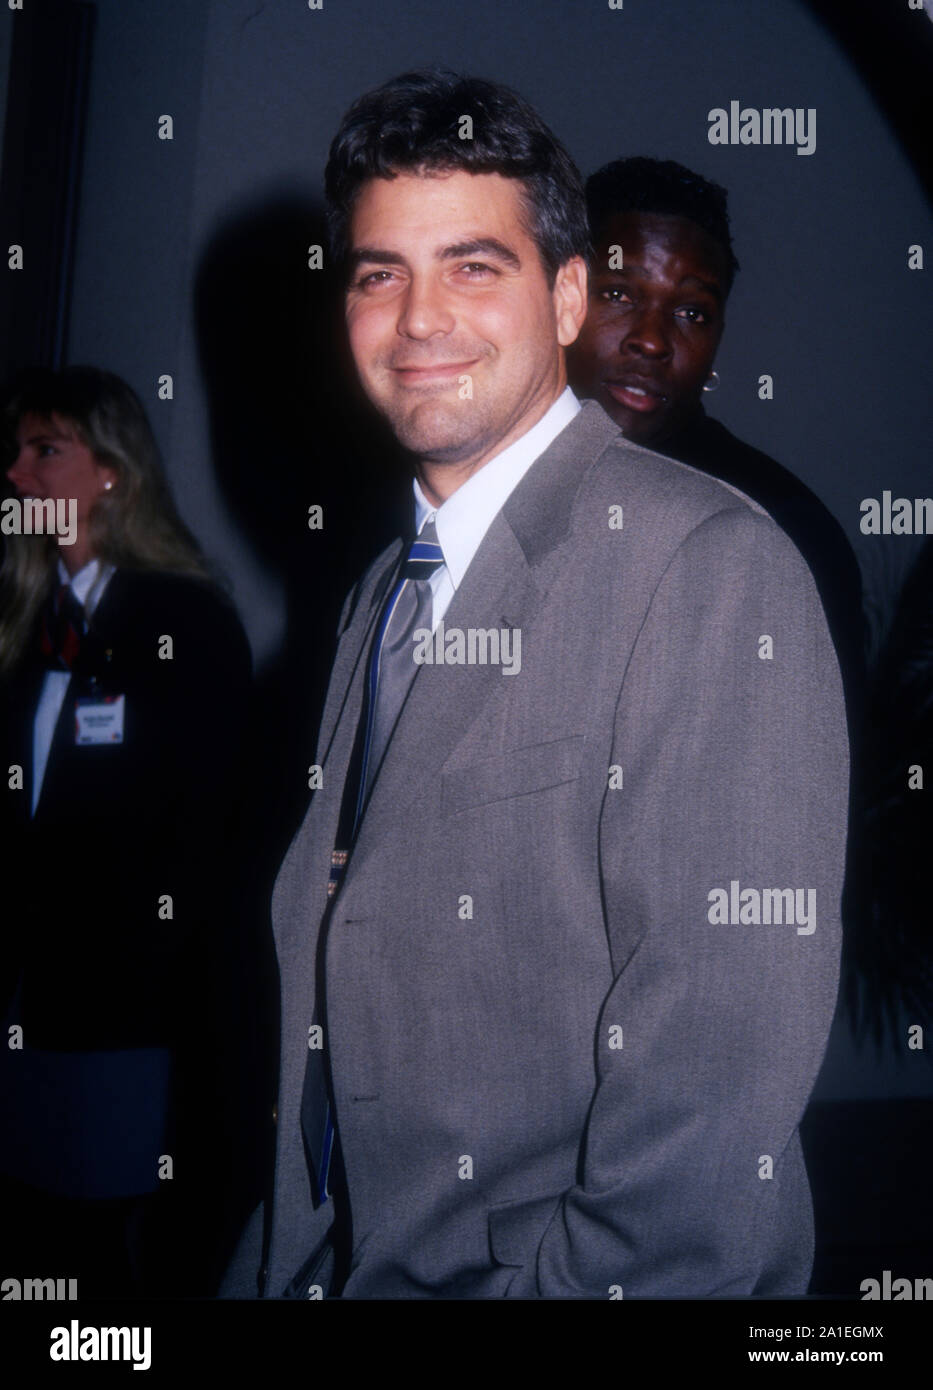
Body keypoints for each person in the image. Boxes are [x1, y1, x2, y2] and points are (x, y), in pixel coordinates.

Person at [222, 69, 848, 1299]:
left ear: (565, 295)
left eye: (473, 267)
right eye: (378, 272)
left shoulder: (712, 568)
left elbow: (708, 1117)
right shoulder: (381, 589)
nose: (418, 320)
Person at [0, 366, 252, 1296]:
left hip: (124, 1017)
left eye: (45, 452)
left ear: (112, 471)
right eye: (16, 454)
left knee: (99, 1255)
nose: (16, 477)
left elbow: (209, 837)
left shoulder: (182, 620)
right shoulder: (26, 624)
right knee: (29, 1246)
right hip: (26, 1009)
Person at [567, 157, 865, 706]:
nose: (652, 340)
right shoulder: (460, 486)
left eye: (691, 313)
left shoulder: (783, 530)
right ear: (561, 296)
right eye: (618, 294)